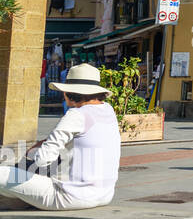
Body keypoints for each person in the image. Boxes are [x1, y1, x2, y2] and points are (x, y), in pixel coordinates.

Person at [0, 64, 120, 210]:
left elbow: (43, 160)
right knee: (14, 182)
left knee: (4, 172)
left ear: (69, 93)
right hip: (104, 195)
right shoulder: (108, 110)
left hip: (69, 197)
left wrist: (35, 150)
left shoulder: (76, 115)